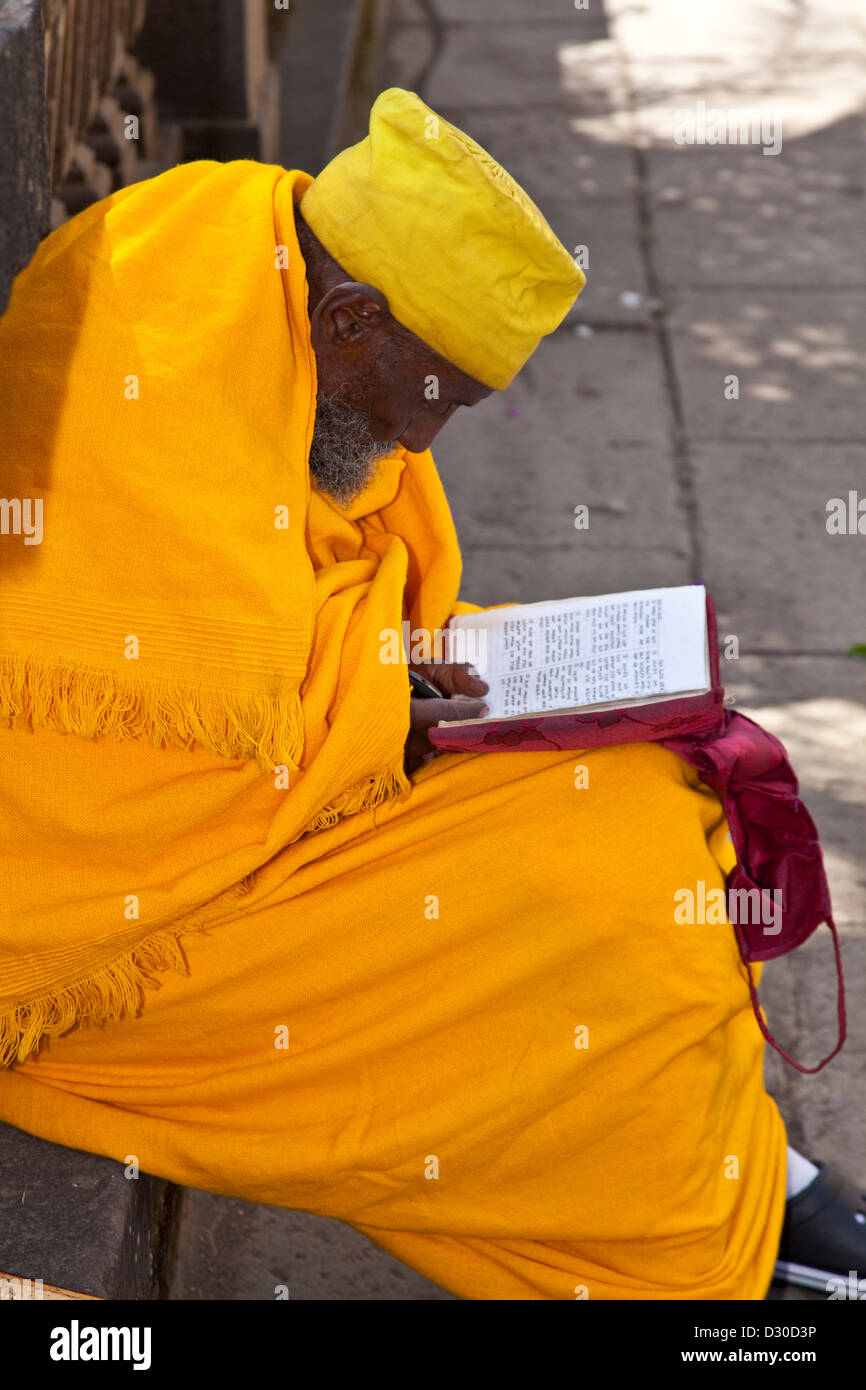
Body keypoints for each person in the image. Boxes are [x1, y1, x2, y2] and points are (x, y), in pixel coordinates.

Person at [0, 87, 861, 1301]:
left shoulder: (268, 243)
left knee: (671, 785)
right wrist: (382, 699)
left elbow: (278, 601)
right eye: (434, 390)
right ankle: (683, 1254)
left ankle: (736, 1177)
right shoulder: (161, 311)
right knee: (610, 906)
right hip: (117, 905)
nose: (425, 436)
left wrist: (396, 677)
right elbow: (127, 724)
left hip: (277, 784)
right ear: (350, 314)